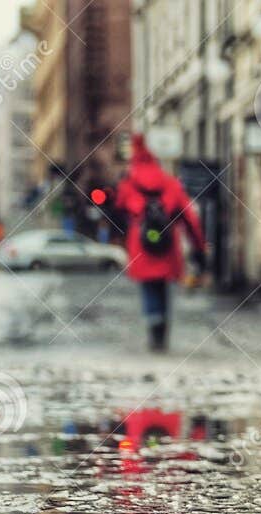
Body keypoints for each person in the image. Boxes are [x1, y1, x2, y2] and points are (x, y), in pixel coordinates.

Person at [115, 133, 206, 352]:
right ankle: (162, 332)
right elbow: (189, 217)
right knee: (163, 287)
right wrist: (199, 248)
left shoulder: (129, 184)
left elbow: (117, 208)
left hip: (142, 244)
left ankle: (153, 330)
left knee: (148, 287)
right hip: (167, 241)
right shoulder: (170, 183)